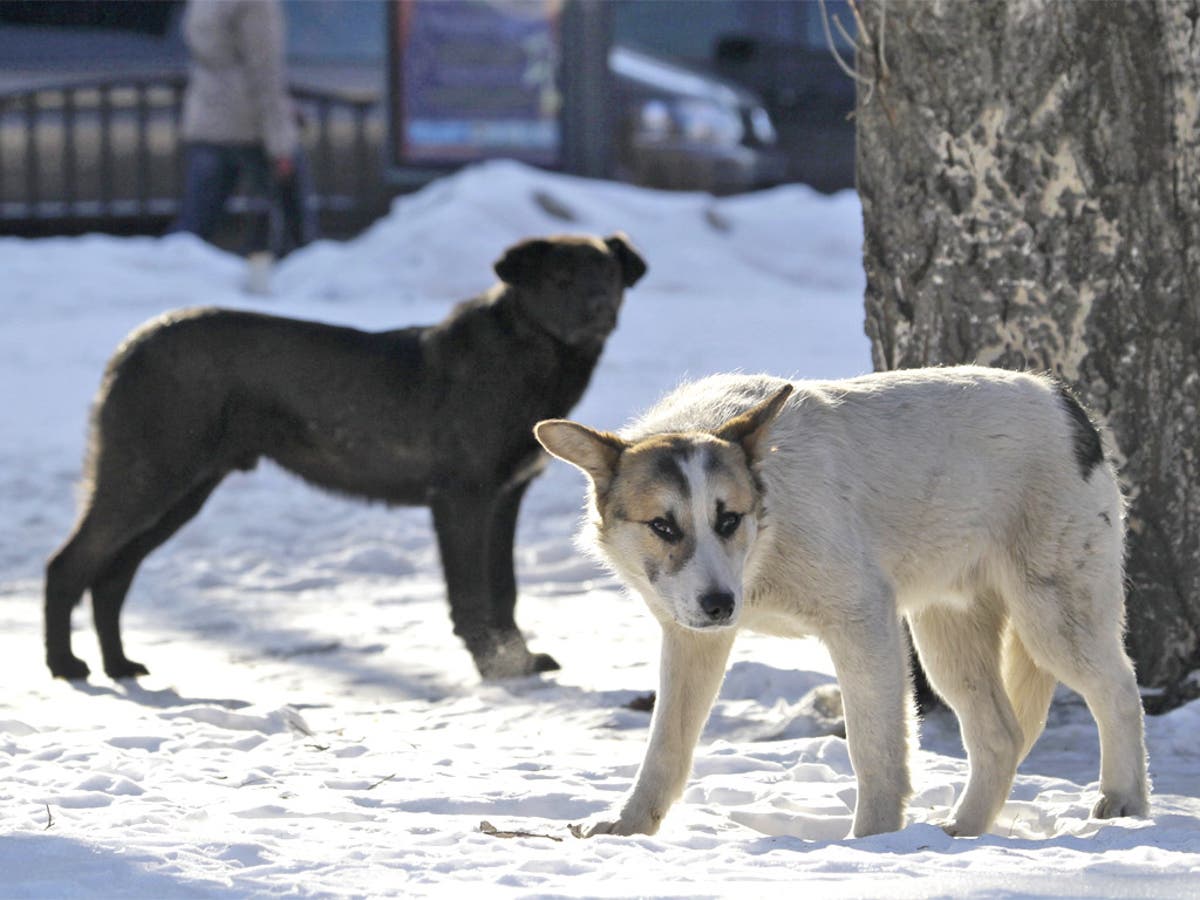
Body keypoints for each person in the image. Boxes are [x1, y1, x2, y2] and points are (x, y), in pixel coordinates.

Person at [170, 0, 316, 289]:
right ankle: (303, 288)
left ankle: (166, 282)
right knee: (295, 227)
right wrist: (281, 143)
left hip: (208, 116)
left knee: (192, 228)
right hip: (249, 123)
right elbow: (264, 71)